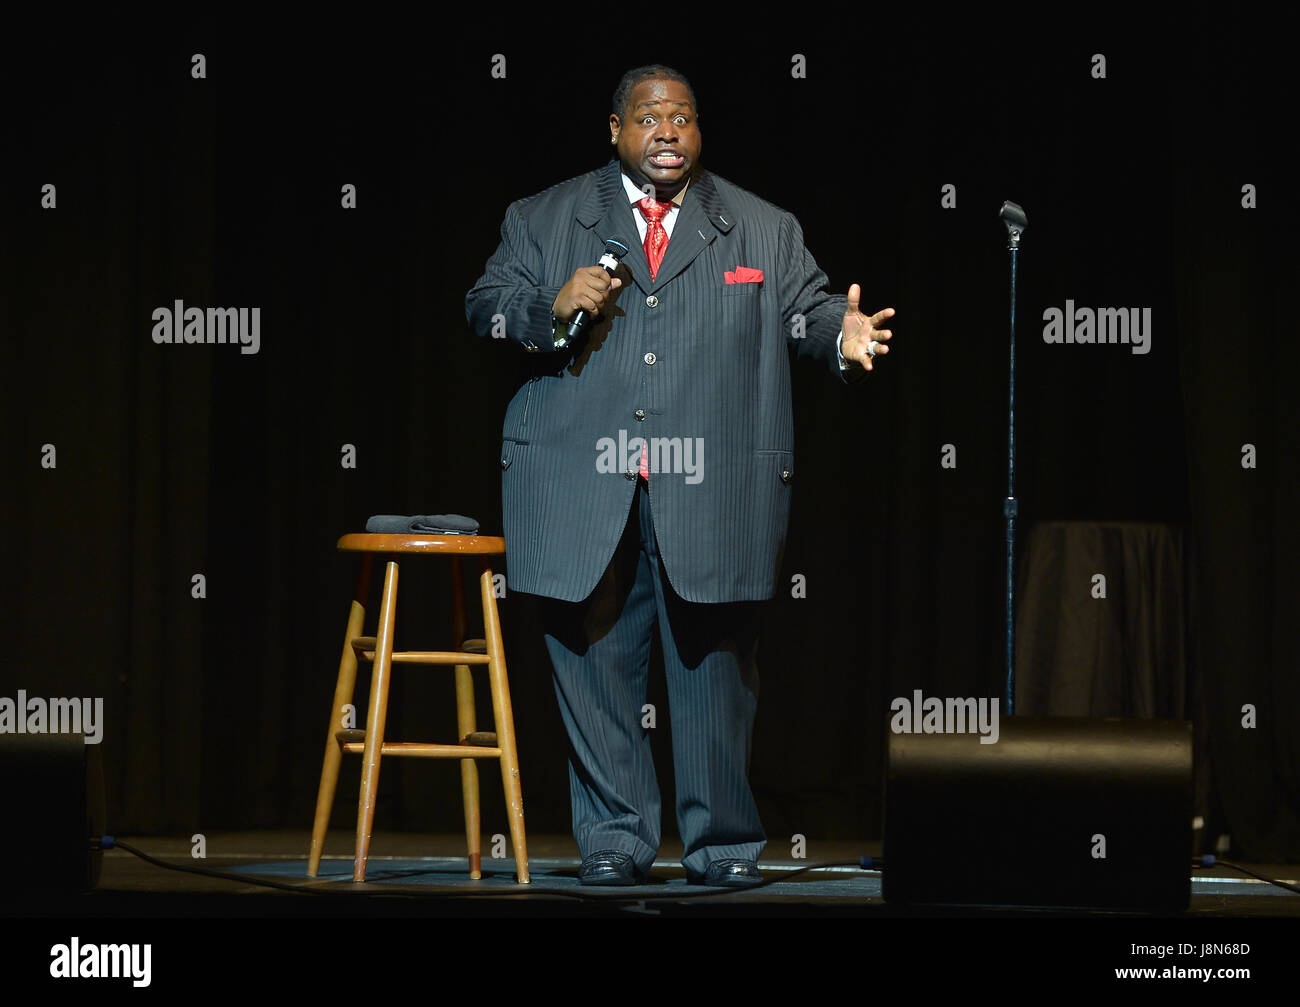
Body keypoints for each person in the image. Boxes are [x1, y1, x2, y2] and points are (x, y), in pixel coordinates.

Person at [465, 64, 894, 886]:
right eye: (650, 117)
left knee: (713, 676)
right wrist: (548, 308)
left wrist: (841, 334)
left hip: (711, 486)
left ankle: (723, 845)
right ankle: (614, 839)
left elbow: (807, 307)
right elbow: (483, 304)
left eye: (685, 117)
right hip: (582, 481)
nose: (669, 131)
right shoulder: (545, 217)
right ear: (616, 130)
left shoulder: (761, 229)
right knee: (592, 663)